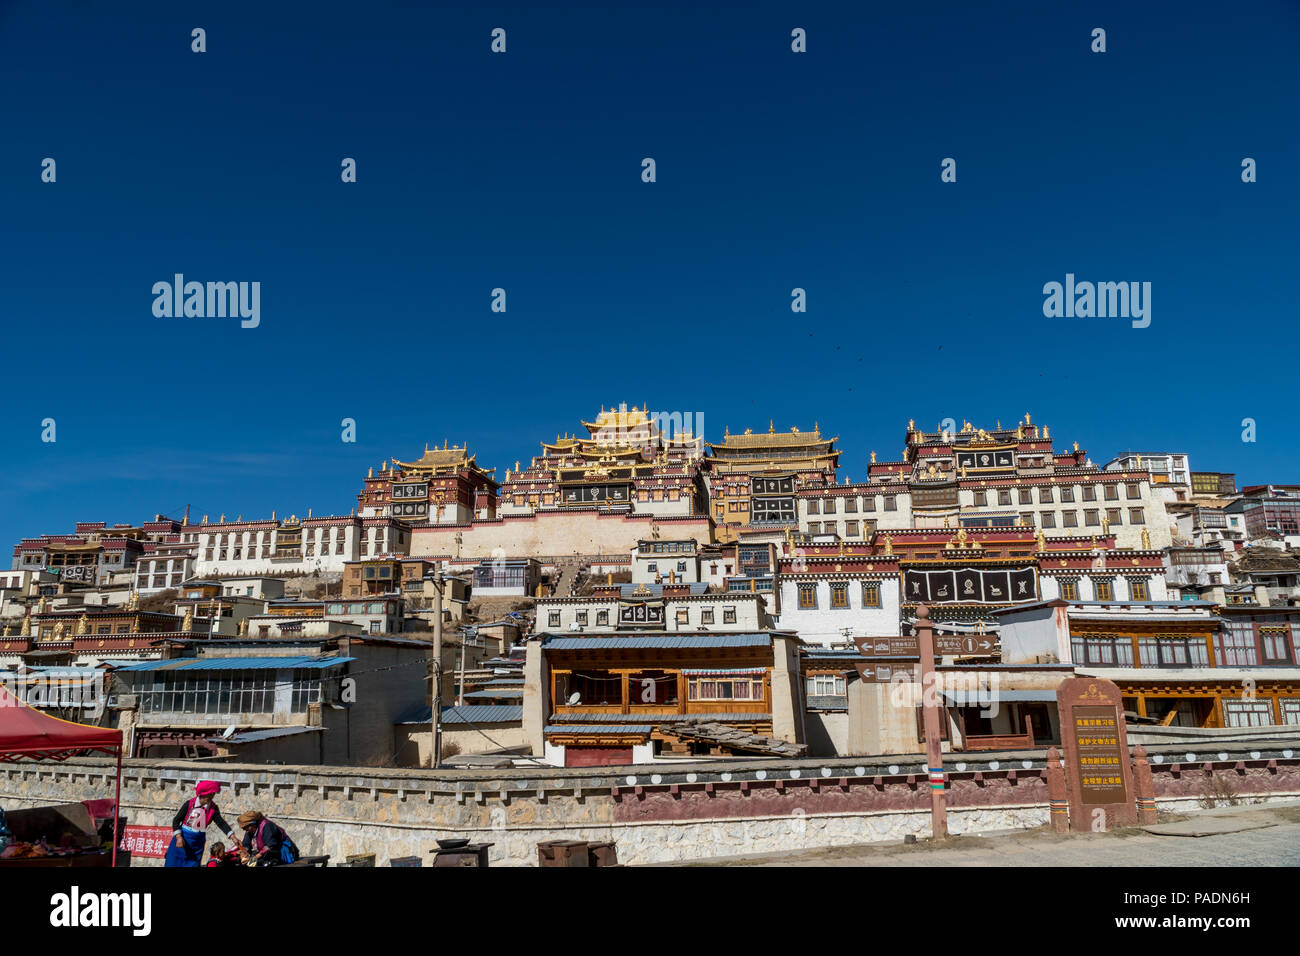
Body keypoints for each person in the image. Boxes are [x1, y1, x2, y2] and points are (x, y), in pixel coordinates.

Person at [164, 780, 238, 867]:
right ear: (204, 794)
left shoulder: (213, 808)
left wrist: (232, 837)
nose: (212, 797)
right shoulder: (189, 804)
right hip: (182, 840)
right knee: (173, 863)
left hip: (197, 844)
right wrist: (179, 837)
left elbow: (221, 823)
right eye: (210, 794)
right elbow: (176, 820)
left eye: (213, 795)